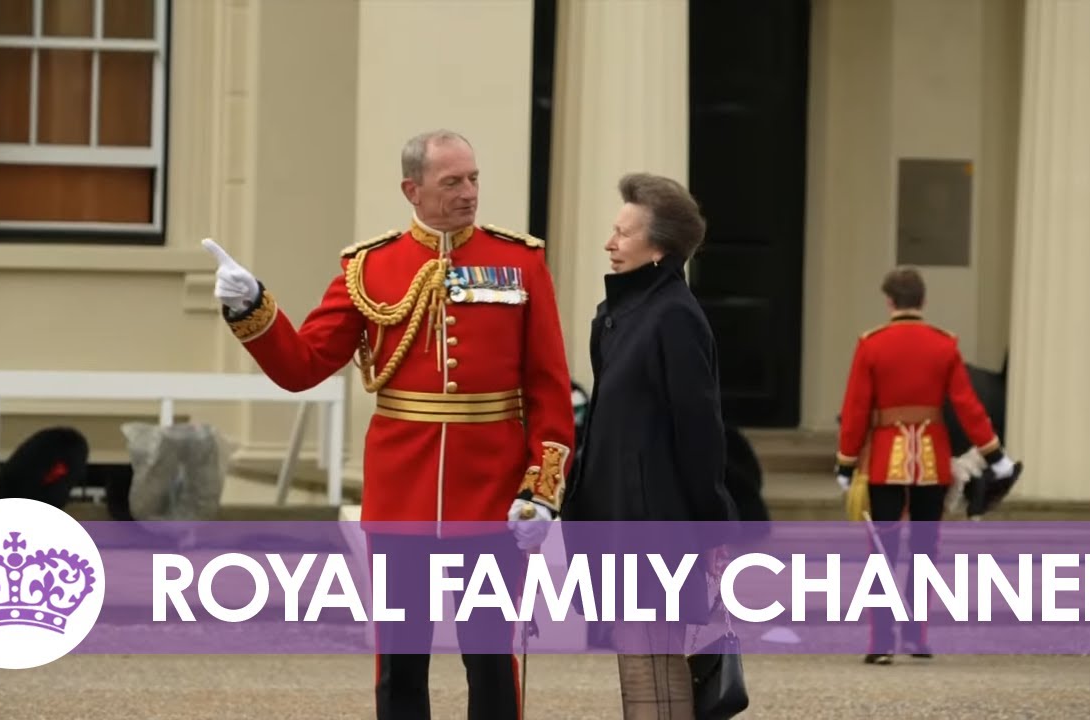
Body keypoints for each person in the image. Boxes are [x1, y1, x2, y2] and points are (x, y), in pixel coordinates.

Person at [202, 129, 575, 720]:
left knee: (490, 660)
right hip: (402, 494)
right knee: (400, 666)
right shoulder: (370, 267)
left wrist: (543, 488)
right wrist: (251, 308)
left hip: (491, 493)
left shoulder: (518, 261)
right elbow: (302, 367)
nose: (469, 193)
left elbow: (549, 388)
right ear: (413, 189)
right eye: (452, 181)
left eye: (473, 178)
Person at [560, 172, 739, 719]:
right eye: (613, 231)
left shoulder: (676, 317)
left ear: (659, 246)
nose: (610, 243)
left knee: (657, 663)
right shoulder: (616, 316)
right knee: (639, 661)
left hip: (657, 521)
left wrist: (712, 522)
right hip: (615, 516)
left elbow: (699, 429)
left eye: (624, 233)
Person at [834, 266, 1020, 665]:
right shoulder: (944, 345)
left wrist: (847, 463)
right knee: (924, 550)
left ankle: (881, 639)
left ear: (889, 302)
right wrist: (993, 453)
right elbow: (968, 407)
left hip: (885, 457)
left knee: (882, 551)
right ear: (923, 301)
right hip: (933, 461)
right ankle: (916, 635)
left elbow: (856, 409)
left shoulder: (871, 344)